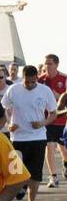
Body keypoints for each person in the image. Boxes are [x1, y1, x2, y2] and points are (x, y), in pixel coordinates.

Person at [2, 64, 58, 201]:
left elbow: (53, 113)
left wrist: (42, 123)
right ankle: (18, 189)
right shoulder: (13, 90)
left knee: (35, 174)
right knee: (15, 172)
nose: (31, 85)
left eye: (33, 82)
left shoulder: (44, 91)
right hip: (18, 138)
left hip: (38, 137)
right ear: (23, 78)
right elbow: (4, 109)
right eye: (27, 82)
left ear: (36, 79)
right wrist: (9, 124)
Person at [39, 54, 67, 185]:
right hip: (47, 120)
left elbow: (63, 99)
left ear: (56, 64)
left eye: (49, 64)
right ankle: (53, 176)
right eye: (45, 64)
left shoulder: (64, 79)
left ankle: (65, 163)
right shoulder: (40, 80)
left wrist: (54, 94)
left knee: (64, 149)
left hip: (62, 119)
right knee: (49, 146)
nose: (47, 66)